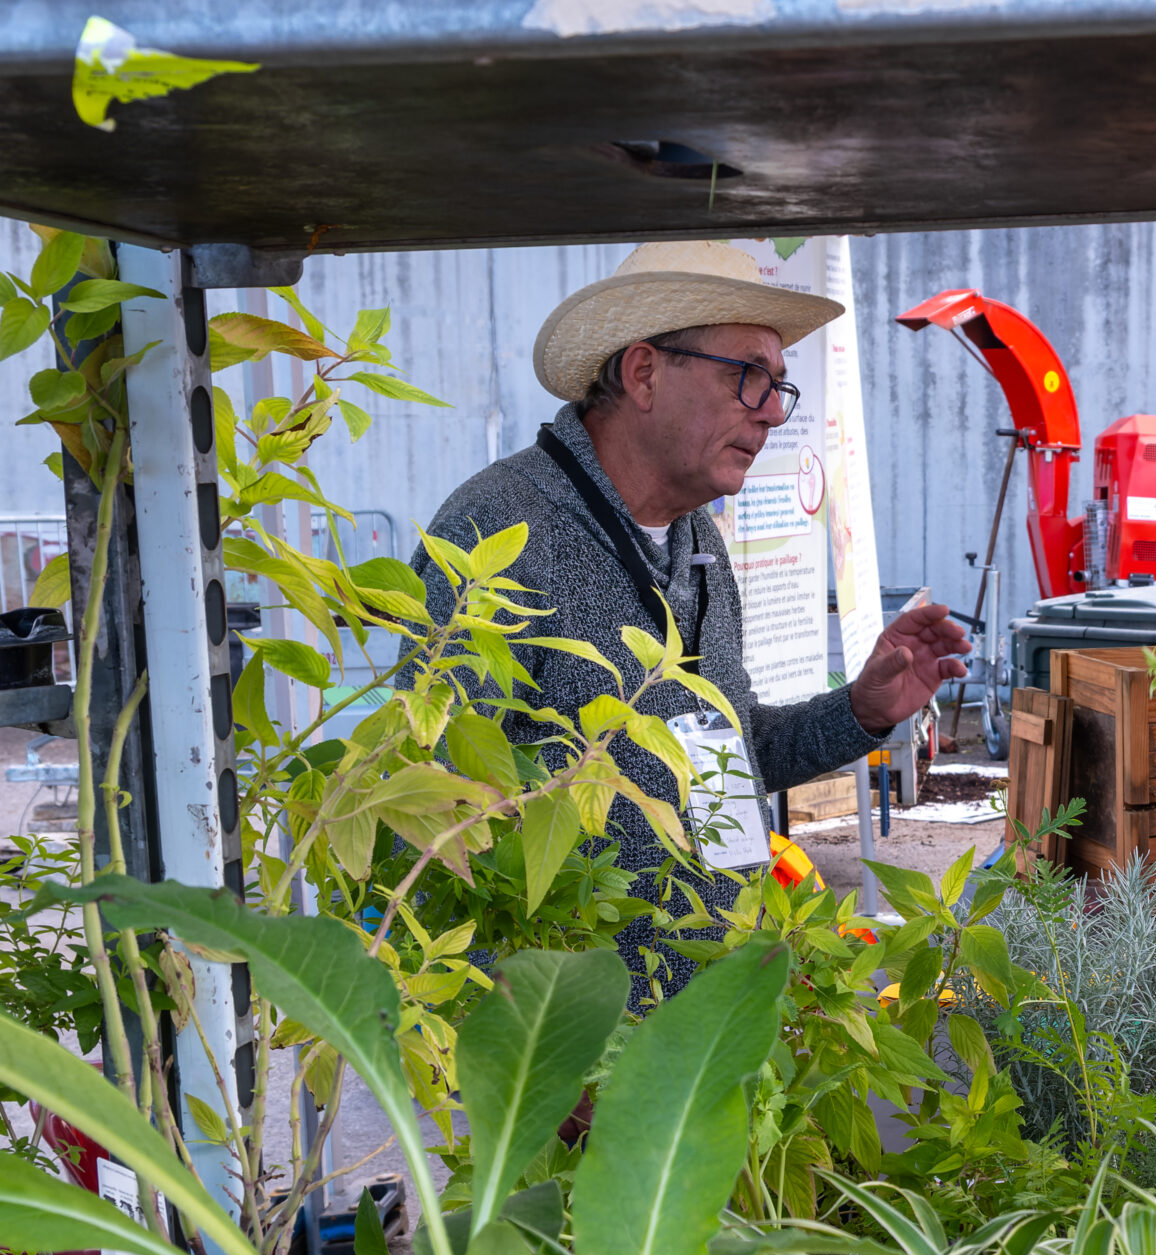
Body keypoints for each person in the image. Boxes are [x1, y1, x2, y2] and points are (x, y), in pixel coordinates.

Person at [412, 243, 969, 999]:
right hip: (572, 1053)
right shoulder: (497, 534)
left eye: (779, 386)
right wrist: (530, 1051)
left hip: (707, 1021)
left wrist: (861, 710)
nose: (773, 411)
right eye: (748, 376)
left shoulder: (696, 538)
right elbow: (426, 816)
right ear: (644, 372)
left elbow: (721, 755)